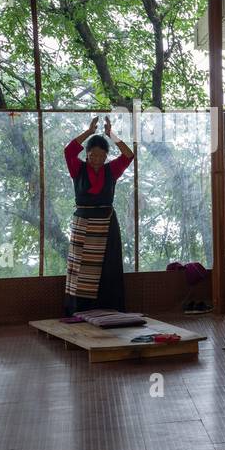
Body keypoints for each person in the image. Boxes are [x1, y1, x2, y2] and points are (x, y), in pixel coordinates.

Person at [64, 116, 134, 315]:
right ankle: (79, 310)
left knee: (107, 267)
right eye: (93, 155)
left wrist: (111, 135)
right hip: (83, 223)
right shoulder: (77, 168)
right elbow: (69, 150)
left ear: (106, 157)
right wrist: (89, 132)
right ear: (87, 154)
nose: (97, 159)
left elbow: (129, 155)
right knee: (81, 269)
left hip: (106, 224)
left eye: (102, 156)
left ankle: (109, 309)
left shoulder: (111, 169)